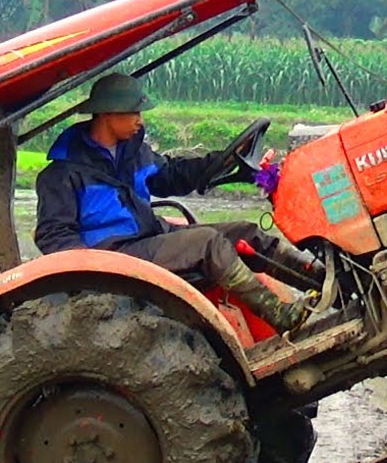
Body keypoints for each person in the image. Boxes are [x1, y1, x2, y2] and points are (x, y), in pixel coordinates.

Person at [34, 72, 320, 333]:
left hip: (151, 237)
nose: (140, 121)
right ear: (109, 113)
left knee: (244, 233)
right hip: (115, 257)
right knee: (207, 243)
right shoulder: (63, 173)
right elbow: (54, 236)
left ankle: (324, 284)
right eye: (135, 112)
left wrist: (226, 158)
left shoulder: (135, 153)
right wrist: (96, 271)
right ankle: (279, 314)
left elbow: (174, 176)